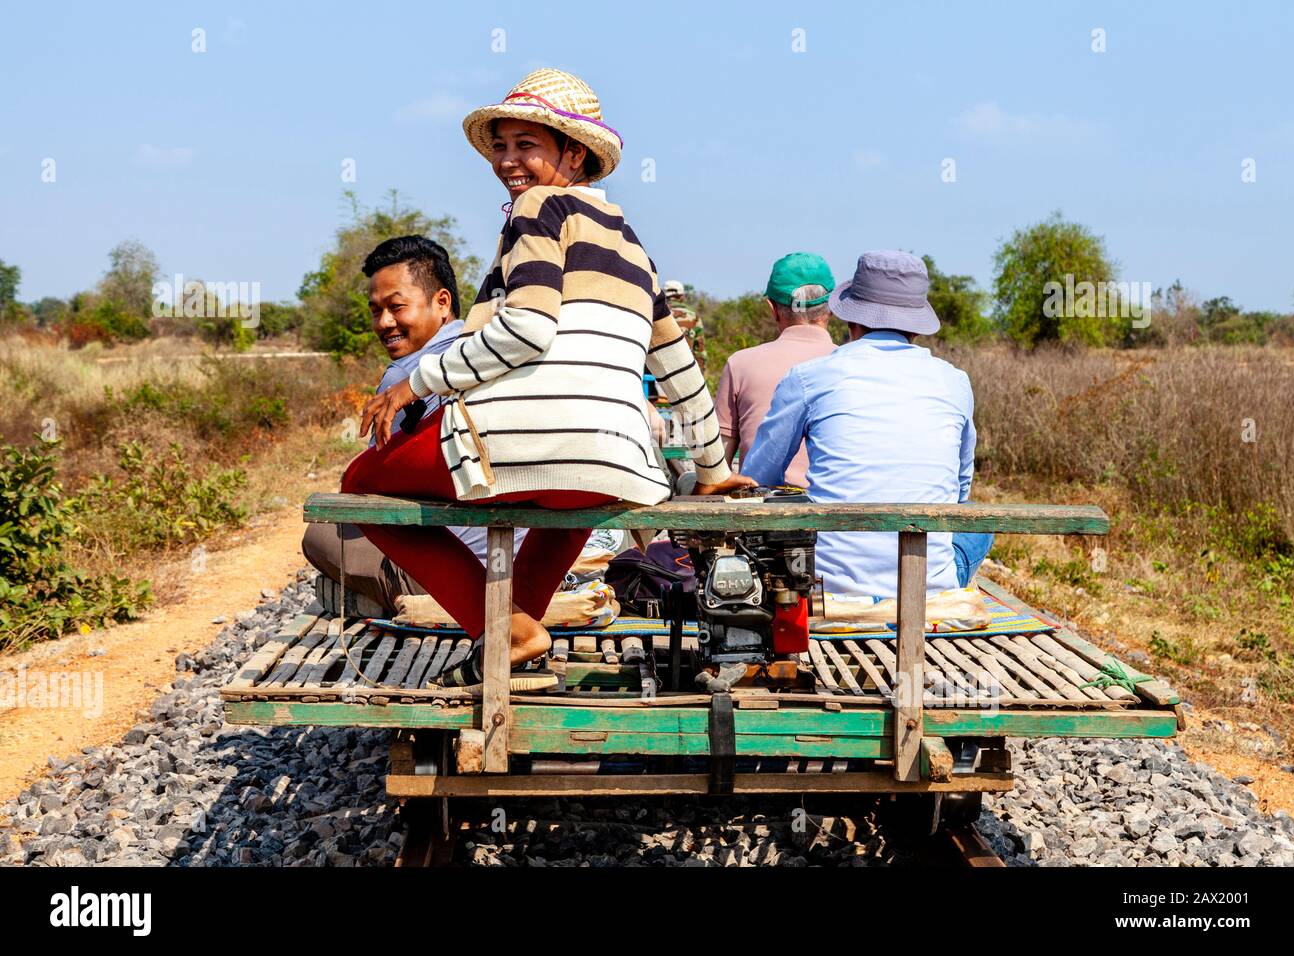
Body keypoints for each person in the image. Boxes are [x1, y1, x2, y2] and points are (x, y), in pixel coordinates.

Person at [341, 68, 752, 690]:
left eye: (525, 145)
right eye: (500, 146)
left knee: (362, 487)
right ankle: (515, 633)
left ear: (574, 152)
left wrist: (416, 382)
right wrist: (714, 469)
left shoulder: (537, 209)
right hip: (618, 466)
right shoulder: (635, 249)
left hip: (519, 441)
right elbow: (677, 366)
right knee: (578, 483)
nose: (508, 161)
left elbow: (526, 329)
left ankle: (497, 627)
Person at [743, 251, 992, 597]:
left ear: (851, 319)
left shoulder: (810, 377)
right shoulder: (954, 381)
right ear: (916, 328)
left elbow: (758, 478)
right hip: (927, 587)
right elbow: (960, 491)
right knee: (975, 519)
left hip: (832, 585)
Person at [301, 236, 525, 616]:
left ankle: (409, 600)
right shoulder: (490, 351)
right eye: (376, 311)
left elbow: (378, 492)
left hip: (461, 570)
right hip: (525, 557)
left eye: (396, 307)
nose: (384, 323)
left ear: (442, 302)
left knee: (321, 533)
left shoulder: (404, 378)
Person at [714, 252, 837, 486]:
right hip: (834, 514)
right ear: (831, 307)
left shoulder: (740, 363)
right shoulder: (853, 365)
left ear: (772, 308)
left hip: (761, 509)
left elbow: (717, 465)